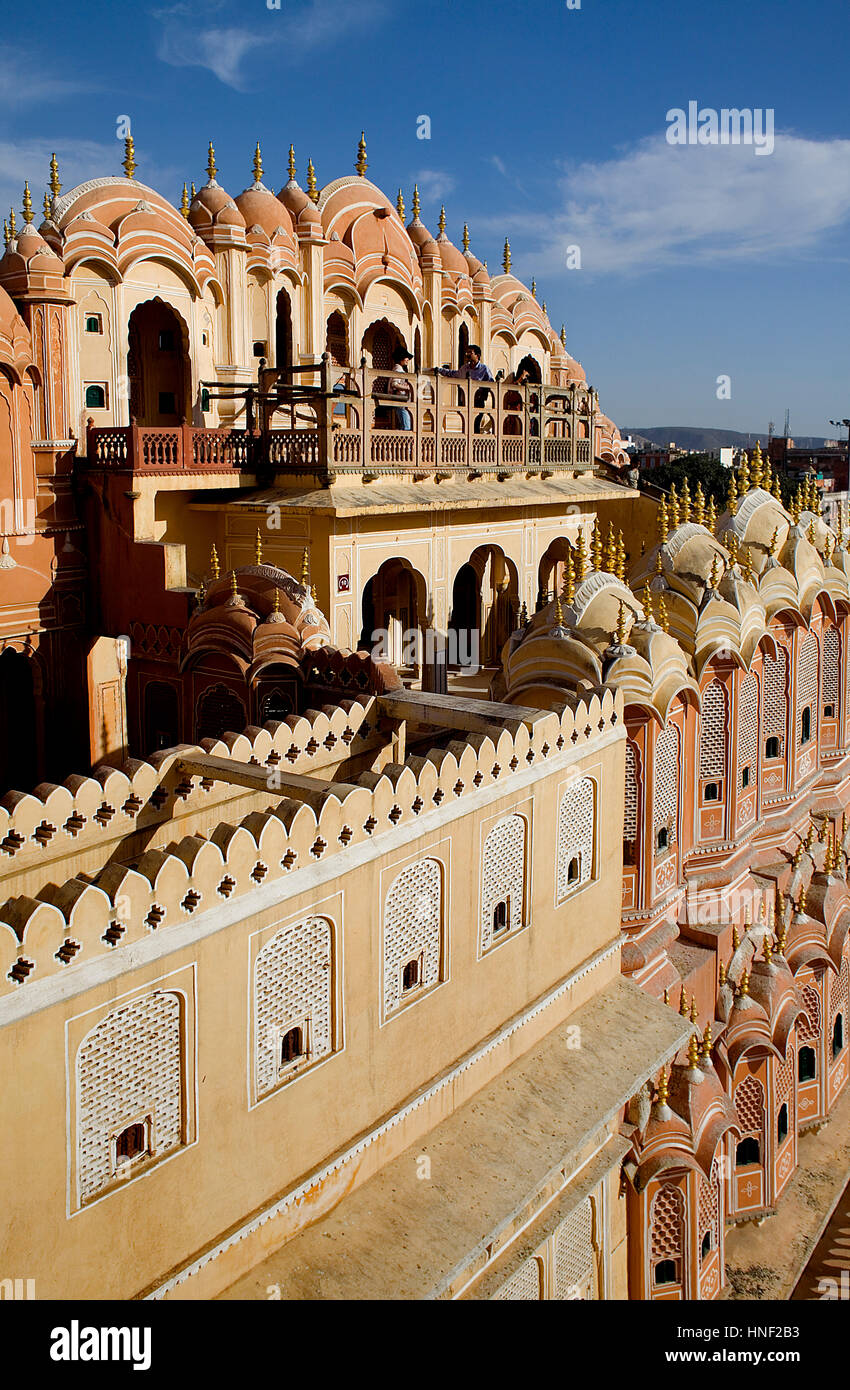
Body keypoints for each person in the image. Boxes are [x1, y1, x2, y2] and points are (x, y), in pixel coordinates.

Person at [388, 346, 414, 429]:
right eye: (405, 357)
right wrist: (408, 388)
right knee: (406, 426)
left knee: (405, 424)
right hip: (400, 400)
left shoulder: (399, 369)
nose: (407, 360)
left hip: (402, 401)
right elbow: (394, 384)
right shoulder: (398, 369)